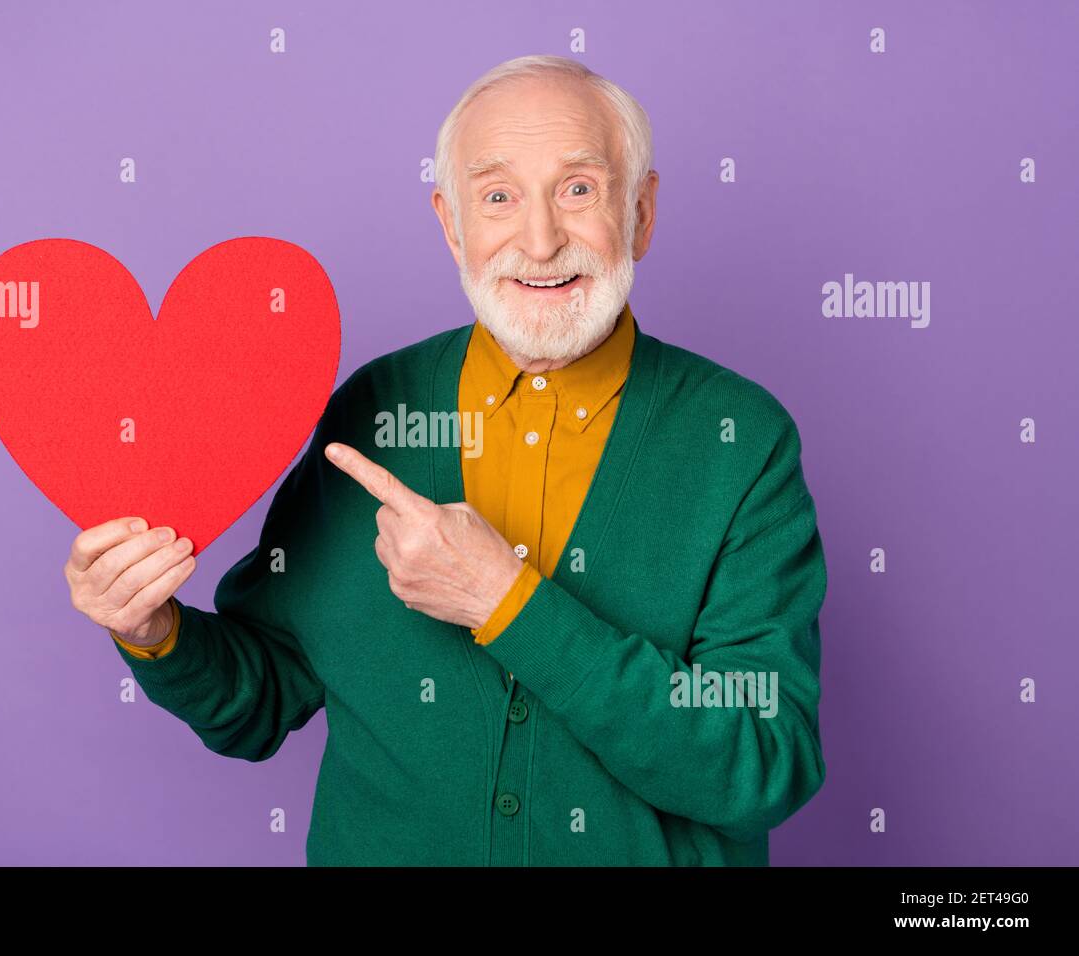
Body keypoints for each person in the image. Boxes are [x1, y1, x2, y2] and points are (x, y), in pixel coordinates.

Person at [63, 54, 827, 866]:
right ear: (451, 222)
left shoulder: (740, 441)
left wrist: (507, 603)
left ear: (640, 212)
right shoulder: (374, 410)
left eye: (578, 189)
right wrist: (154, 631)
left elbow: (762, 763)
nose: (540, 241)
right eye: (498, 197)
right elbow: (262, 696)